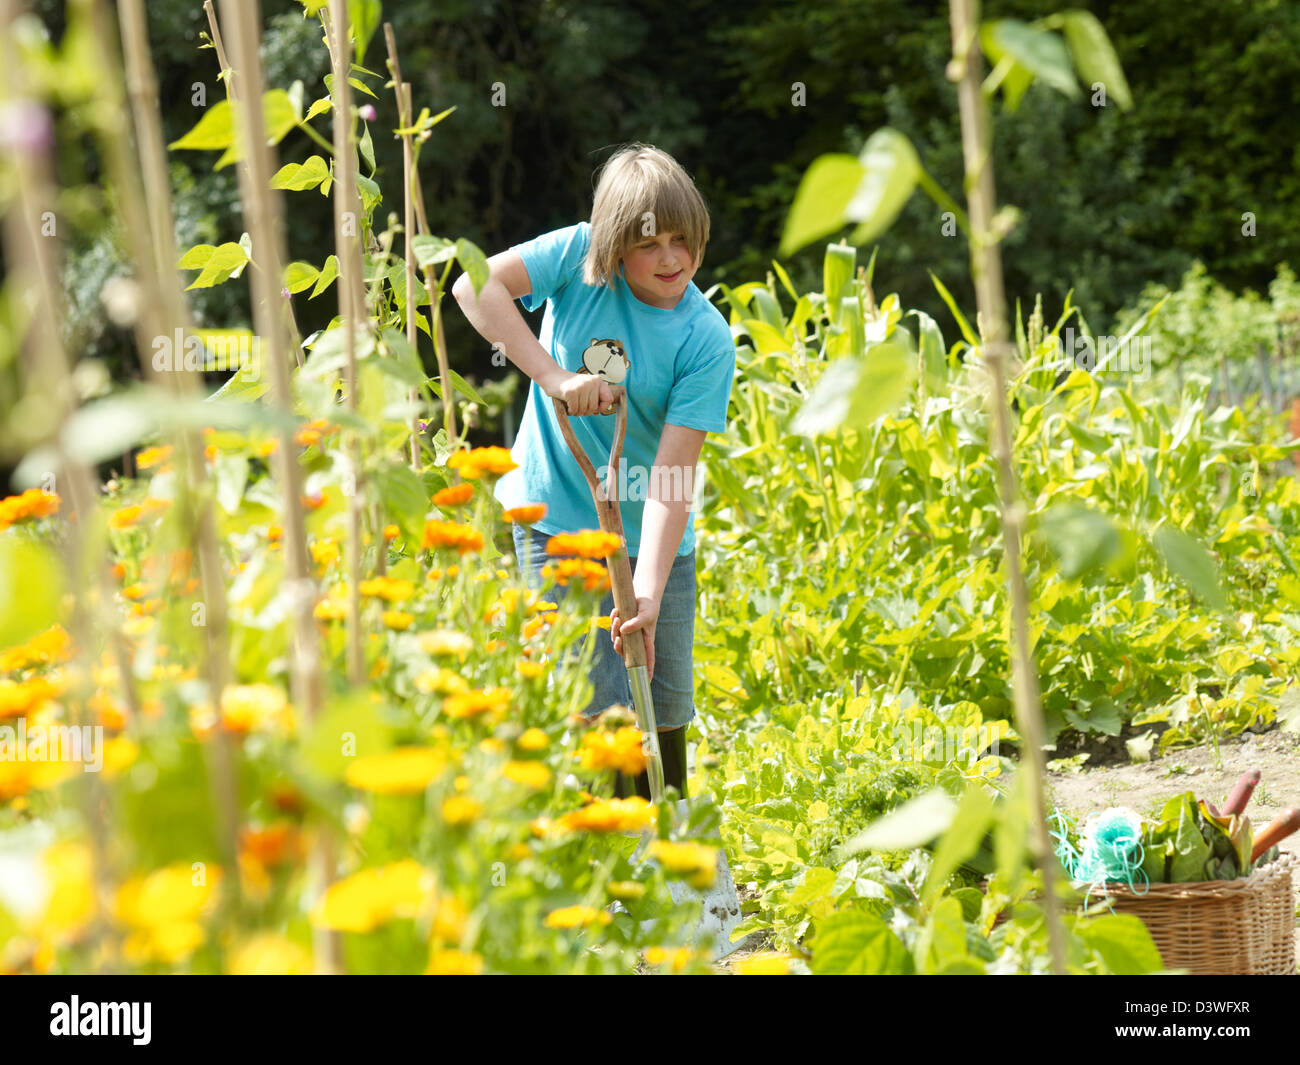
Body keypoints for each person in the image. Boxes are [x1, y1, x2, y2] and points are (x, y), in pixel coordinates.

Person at [452, 143, 736, 800]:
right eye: (650, 244)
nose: (671, 259)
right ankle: (598, 847)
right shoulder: (578, 259)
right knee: (593, 699)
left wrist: (649, 591)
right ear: (612, 246)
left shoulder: (704, 337)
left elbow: (672, 477)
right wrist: (553, 377)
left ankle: (667, 838)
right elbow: (473, 284)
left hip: (653, 536)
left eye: (682, 240)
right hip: (557, 521)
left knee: (663, 704)